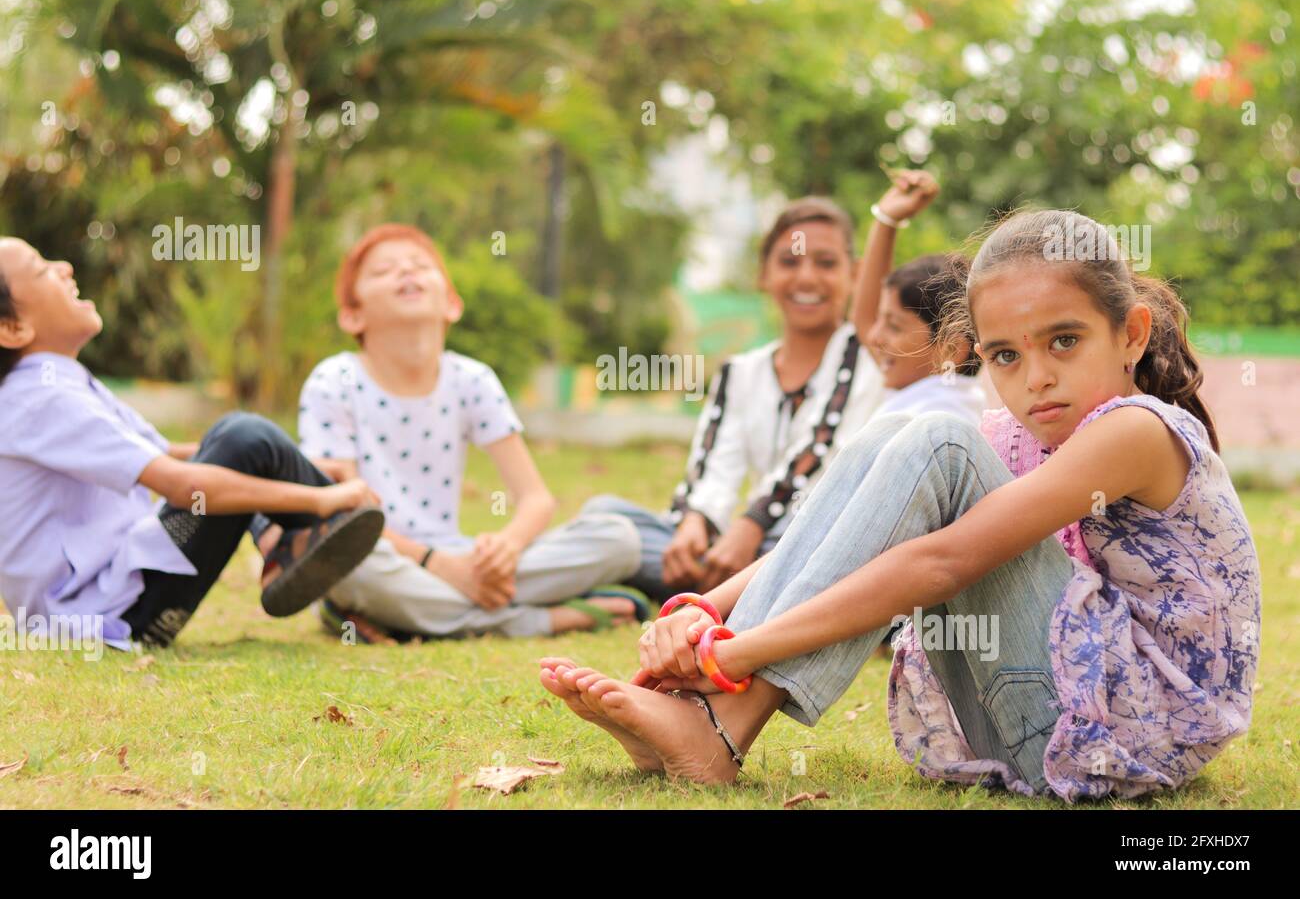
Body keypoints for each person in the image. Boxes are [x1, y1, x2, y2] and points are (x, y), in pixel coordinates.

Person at [540, 208, 1260, 802]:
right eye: (1006, 355)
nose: (1036, 378)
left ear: (1129, 333)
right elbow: (867, 515)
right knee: (899, 434)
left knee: (937, 441)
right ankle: (703, 715)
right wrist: (704, 610)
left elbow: (944, 562)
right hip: (1040, 716)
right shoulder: (1012, 434)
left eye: (1064, 342)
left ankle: (720, 721)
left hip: (1115, 740)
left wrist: (736, 653)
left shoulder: (1134, 432)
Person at [584, 172, 965, 604]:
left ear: (854, 276)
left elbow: (823, 453)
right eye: (789, 261)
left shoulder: (877, 356)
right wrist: (696, 523)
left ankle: (706, 593)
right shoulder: (741, 371)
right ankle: (685, 585)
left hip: (805, 545)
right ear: (763, 274)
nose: (806, 277)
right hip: (739, 546)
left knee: (798, 557)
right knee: (607, 516)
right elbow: (715, 464)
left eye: (825, 263)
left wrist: (886, 220)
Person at [266, 224, 647, 644]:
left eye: (420, 266)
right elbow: (338, 515)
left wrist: (507, 548)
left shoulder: (471, 379)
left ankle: (405, 616)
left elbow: (536, 499)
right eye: (384, 271)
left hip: (461, 559)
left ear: (451, 304)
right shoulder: (334, 381)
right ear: (352, 315)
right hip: (381, 556)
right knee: (349, 566)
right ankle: (540, 620)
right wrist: (440, 565)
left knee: (620, 537)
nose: (406, 274)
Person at [0, 237, 384, 649]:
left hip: (120, 601)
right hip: (114, 616)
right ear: (12, 328)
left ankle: (290, 543)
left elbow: (163, 454)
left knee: (237, 440)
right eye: (42, 269)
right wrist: (316, 500)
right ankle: (335, 551)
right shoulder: (42, 398)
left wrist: (305, 462)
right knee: (244, 439)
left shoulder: (56, 382)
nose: (65, 267)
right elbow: (183, 485)